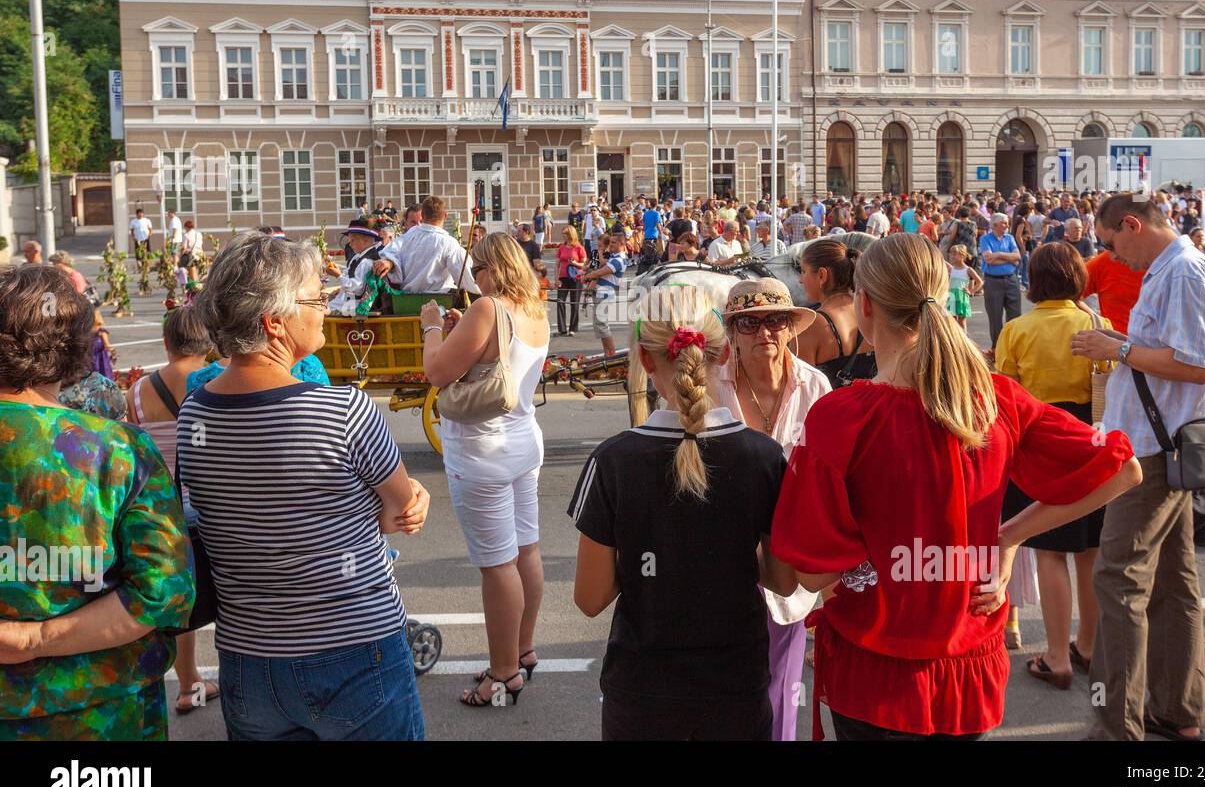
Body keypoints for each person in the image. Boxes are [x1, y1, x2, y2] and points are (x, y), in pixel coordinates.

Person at [771, 234, 1139, 740]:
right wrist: (1009, 537)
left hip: (875, 667)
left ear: (865, 304)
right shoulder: (996, 399)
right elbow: (1122, 468)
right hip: (969, 664)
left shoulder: (840, 415)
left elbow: (810, 575)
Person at [180, 232, 429, 740]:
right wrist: (397, 504)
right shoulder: (342, 410)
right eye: (317, 298)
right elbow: (402, 509)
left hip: (248, 659)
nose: (327, 306)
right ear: (275, 323)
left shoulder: (194, 414)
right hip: (355, 648)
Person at [570, 284, 796, 740]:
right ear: (725, 354)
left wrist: (656, 558)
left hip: (642, 694)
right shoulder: (765, 458)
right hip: (735, 689)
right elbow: (784, 580)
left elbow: (590, 598)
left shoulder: (613, 460)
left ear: (646, 360)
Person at [0, 264, 195, 739]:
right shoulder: (120, 451)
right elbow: (162, 593)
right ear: (72, 347)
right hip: (105, 715)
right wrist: (37, 637)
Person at [1072, 193, 1205, 741]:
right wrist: (1120, 342)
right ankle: (1176, 709)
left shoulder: (1182, 271)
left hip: (1154, 451)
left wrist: (1118, 350)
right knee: (1171, 581)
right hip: (1161, 445)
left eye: (1113, 244)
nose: (1114, 258)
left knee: (1118, 581)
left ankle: (1118, 725)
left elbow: (1195, 366)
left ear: (1133, 225)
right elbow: (1177, 355)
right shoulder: (1177, 268)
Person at [421, 233, 550, 708]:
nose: (475, 278)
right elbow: (494, 354)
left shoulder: (487, 308)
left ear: (494, 268)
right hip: (521, 440)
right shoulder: (533, 308)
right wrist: (465, 326)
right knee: (526, 550)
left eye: (478, 269)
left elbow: (436, 372)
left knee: (497, 565)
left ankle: (501, 675)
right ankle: (523, 650)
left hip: (481, 449)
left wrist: (432, 326)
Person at [715, 279, 830, 740]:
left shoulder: (815, 384)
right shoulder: (709, 383)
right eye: (750, 322)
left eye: (776, 320)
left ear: (790, 329)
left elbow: (829, 479)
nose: (765, 332)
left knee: (781, 688)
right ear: (733, 333)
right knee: (726, 682)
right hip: (723, 554)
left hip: (791, 556)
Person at [996, 243, 1114, 689]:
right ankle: (1088, 645)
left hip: (1041, 439)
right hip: (1091, 435)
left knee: (1050, 550)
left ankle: (1057, 655)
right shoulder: (1096, 323)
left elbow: (1008, 393)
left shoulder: (1018, 328)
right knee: (1090, 552)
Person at [126, 306, 218, 714]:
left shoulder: (137, 391)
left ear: (166, 343)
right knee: (229, 590)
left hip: (163, 507)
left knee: (183, 597)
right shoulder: (215, 383)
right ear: (209, 342)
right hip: (209, 501)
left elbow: (138, 451)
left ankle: (187, 685)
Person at [796, 239, 876, 387]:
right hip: (875, 408)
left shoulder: (810, 325)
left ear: (822, 275)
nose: (800, 280)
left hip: (832, 409)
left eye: (803, 271)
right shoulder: (871, 311)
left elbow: (800, 391)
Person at [372, 196, 478, 296]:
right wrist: (479, 294)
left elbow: (390, 251)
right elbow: (464, 276)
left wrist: (389, 261)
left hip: (406, 300)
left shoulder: (409, 235)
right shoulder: (449, 243)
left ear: (422, 215)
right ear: (446, 215)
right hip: (438, 302)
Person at [581, 225, 629, 357]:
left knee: (602, 325)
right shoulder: (614, 256)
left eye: (613, 243)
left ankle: (611, 355)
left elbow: (602, 271)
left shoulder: (619, 259)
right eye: (610, 242)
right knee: (599, 325)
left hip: (605, 294)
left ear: (621, 244)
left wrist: (588, 276)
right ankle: (608, 353)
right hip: (600, 292)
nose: (611, 245)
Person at [979, 213, 1023, 349]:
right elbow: (988, 259)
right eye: (1004, 223)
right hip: (993, 282)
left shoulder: (1009, 238)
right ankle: (997, 348)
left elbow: (1018, 256)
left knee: (1015, 316)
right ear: (995, 225)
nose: (1007, 225)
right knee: (995, 318)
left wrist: (998, 255)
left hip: (1011, 280)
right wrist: (1008, 258)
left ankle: (1013, 347)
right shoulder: (985, 239)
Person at [1082, 247, 1144, 336]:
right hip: (1112, 343)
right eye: (1108, 246)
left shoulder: (1167, 264)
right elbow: (1069, 293)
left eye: (1110, 244)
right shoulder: (1104, 261)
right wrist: (1095, 319)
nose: (1113, 256)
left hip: (1156, 346)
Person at [328, 219, 386, 315]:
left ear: (366, 240)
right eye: (349, 241)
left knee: (319, 310)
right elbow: (348, 276)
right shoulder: (357, 257)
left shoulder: (367, 261)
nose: (349, 244)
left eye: (352, 240)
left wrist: (338, 276)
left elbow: (358, 289)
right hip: (347, 300)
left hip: (353, 306)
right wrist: (339, 275)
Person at [555, 225, 587, 337]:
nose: (563, 235)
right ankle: (562, 328)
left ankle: (573, 328)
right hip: (563, 277)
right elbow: (557, 264)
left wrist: (575, 263)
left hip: (575, 278)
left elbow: (584, 265)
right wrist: (556, 279)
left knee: (574, 303)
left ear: (570, 235)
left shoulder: (579, 248)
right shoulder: (561, 247)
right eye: (563, 233)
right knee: (560, 301)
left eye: (565, 233)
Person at [944, 244, 982, 332]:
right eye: (951, 254)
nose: (951, 256)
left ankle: (964, 339)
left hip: (962, 297)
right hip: (951, 296)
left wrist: (971, 291)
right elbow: (940, 260)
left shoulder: (968, 270)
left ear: (962, 255)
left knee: (961, 321)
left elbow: (979, 282)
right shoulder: (951, 268)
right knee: (951, 321)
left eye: (954, 254)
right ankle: (954, 340)